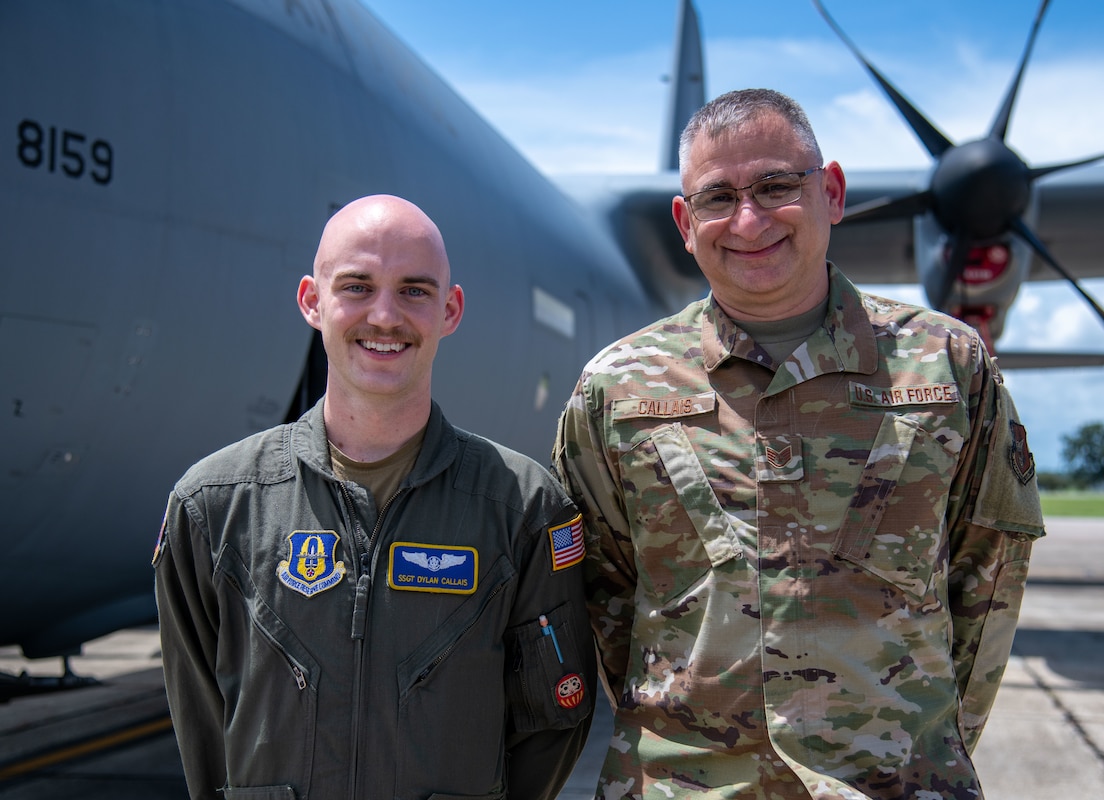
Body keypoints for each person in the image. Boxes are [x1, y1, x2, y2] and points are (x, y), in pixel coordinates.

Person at [552, 89, 1044, 799]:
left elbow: (988, 578)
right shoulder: (616, 388)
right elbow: (603, 594)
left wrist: (918, 743)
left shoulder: (948, 366)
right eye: (717, 197)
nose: (748, 219)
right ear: (685, 223)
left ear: (833, 192)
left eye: (778, 186)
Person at [154, 194, 594, 800]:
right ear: (312, 301)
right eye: (357, 286)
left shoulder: (521, 509)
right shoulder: (215, 507)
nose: (385, 316)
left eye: (414, 290)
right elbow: (202, 724)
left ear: (451, 309)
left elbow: (552, 722)